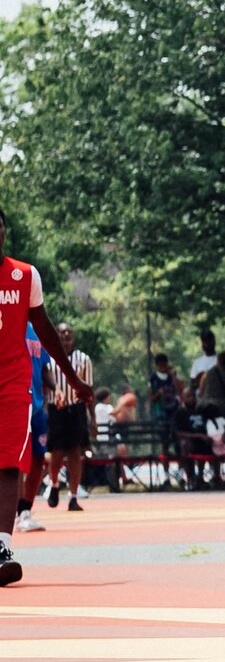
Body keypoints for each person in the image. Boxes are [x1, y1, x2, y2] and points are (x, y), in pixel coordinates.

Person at [0, 208, 94, 586]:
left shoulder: (25, 276)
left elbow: (45, 329)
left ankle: (2, 547)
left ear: (4, 232)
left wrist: (72, 378)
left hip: (12, 384)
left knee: (8, 462)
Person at [45, 322, 94, 510]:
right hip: (56, 409)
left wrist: (93, 419)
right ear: (56, 335)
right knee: (57, 452)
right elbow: (43, 383)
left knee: (75, 452)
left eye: (69, 332)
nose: (66, 335)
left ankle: (73, 496)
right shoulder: (49, 358)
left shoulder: (83, 359)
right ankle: (54, 483)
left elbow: (89, 389)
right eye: (62, 332)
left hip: (76, 408)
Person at [16, 323, 53, 531]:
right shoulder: (8, 323)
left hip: (37, 407)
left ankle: (25, 511)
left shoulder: (35, 329)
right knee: (15, 461)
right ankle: (14, 511)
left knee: (38, 458)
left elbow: (45, 368)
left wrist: (56, 389)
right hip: (16, 404)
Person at [148, 353, 182, 448]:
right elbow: (151, 398)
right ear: (156, 365)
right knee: (164, 440)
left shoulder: (173, 376)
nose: (163, 367)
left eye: (164, 364)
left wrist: (173, 375)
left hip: (174, 412)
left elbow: (179, 391)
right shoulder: (153, 378)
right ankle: (165, 454)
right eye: (160, 365)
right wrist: (159, 393)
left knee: (177, 438)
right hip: (160, 413)